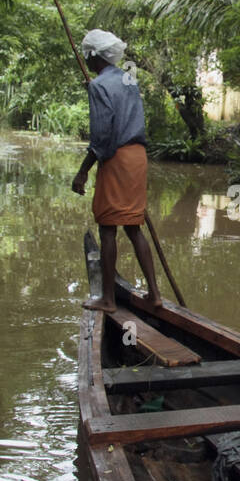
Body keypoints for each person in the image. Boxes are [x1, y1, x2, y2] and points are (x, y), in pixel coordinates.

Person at [72, 28, 163, 312]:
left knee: (108, 227)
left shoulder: (99, 86)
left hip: (117, 158)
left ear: (92, 56)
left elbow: (102, 135)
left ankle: (108, 299)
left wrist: (83, 170)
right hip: (137, 157)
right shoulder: (129, 79)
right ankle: (155, 294)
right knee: (133, 226)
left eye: (87, 56)